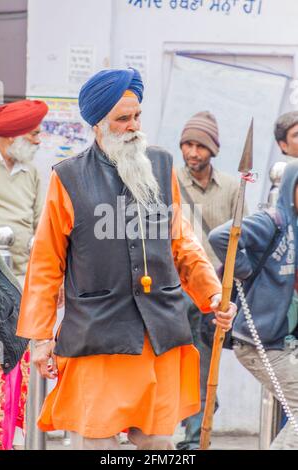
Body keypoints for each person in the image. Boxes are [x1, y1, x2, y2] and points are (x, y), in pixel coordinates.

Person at [16, 68, 236, 451]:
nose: (134, 126)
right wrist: (40, 339)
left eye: (137, 116)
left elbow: (181, 242)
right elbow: (46, 263)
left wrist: (212, 294)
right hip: (98, 335)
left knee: (157, 443)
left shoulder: (162, 165)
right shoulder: (66, 177)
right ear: (98, 124)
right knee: (97, 443)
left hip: (158, 332)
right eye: (123, 119)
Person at [209, 161, 298, 450]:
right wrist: (243, 268)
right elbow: (221, 236)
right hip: (260, 342)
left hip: (280, 341)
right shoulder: (273, 220)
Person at [176, 111, 243, 450]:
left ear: (212, 149)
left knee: (206, 365)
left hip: (215, 293)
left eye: (199, 145)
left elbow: (239, 241)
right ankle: (186, 428)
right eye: (187, 144)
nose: (192, 152)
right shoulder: (170, 184)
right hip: (176, 294)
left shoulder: (232, 188)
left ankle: (193, 437)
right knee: (180, 363)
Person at [0, 99, 48, 450]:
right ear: (11, 137)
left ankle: (13, 438)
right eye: (33, 134)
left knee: (22, 366)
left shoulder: (32, 173)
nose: (39, 140)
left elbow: (39, 224)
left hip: (24, 284)